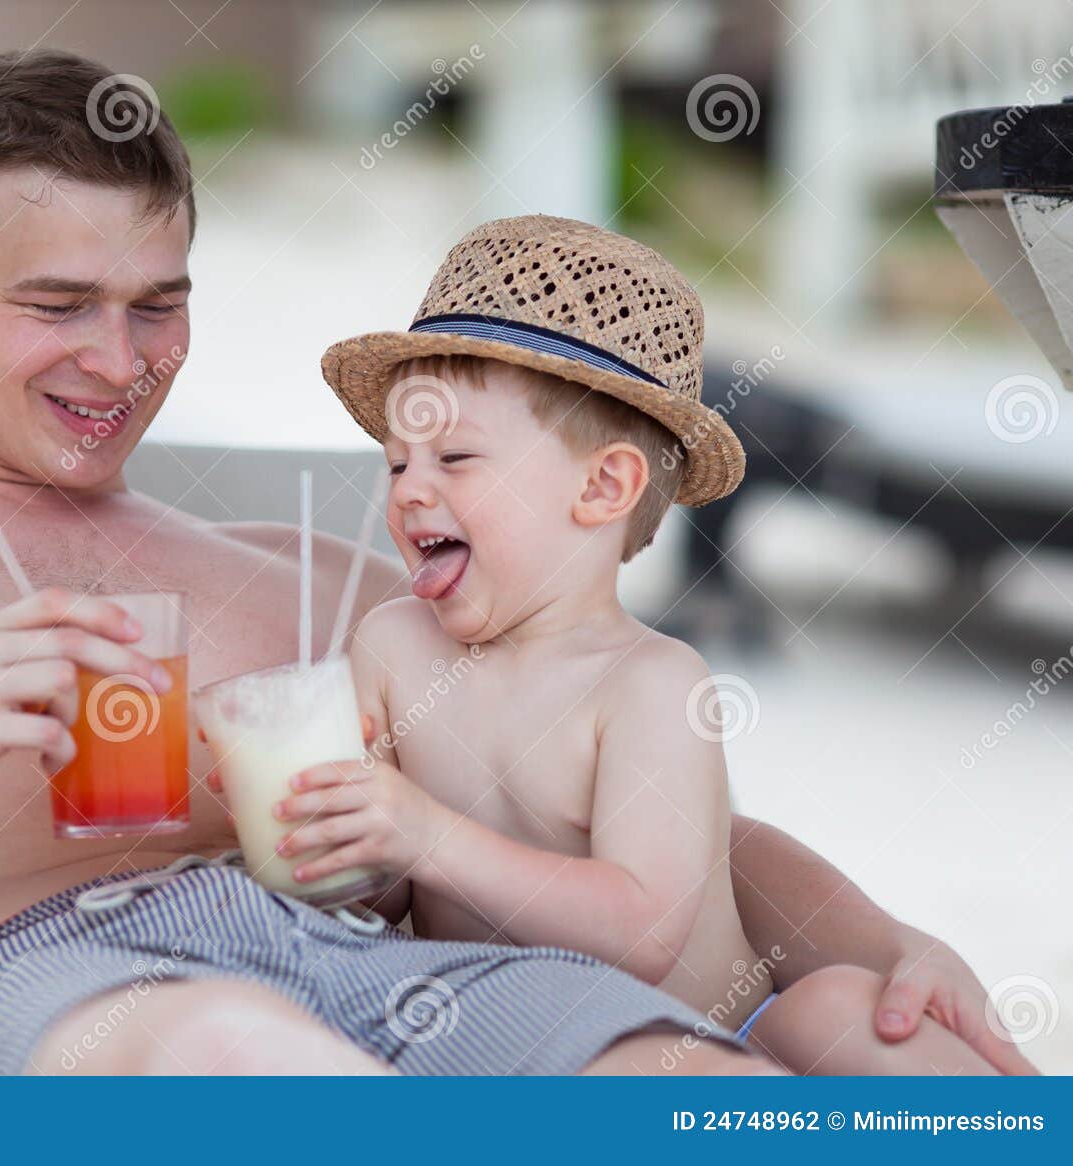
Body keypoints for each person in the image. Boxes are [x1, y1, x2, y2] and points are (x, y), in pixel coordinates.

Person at [0, 49, 1018, 1077]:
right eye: (60, 304)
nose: (119, 366)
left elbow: (609, 774)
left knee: (695, 1090)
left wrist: (886, 937)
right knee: (242, 1062)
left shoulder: (312, 574)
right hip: (19, 997)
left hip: (389, 983)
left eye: (158, 306)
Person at [270, 215, 1037, 1075]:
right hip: (525, 1038)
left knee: (849, 1017)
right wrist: (342, 845)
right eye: (397, 461)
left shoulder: (651, 684)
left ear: (603, 487)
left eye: (454, 457)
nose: (410, 492)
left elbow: (641, 931)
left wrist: (421, 833)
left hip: (721, 1037)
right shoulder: (390, 648)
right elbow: (386, 891)